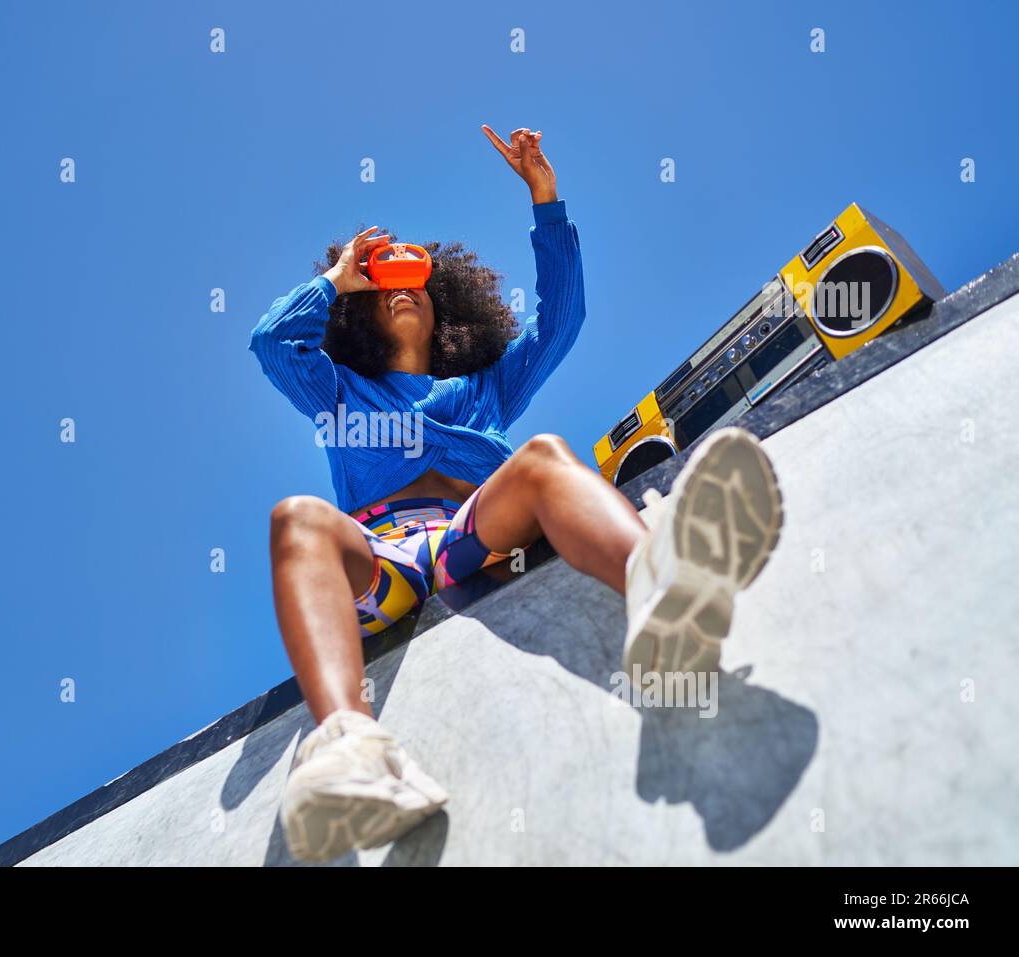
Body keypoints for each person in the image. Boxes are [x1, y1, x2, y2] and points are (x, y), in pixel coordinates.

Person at [248, 126, 783, 863]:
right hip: (388, 559)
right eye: (385, 289)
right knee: (296, 518)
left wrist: (545, 199)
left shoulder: (480, 387)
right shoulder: (336, 389)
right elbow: (271, 344)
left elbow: (561, 322)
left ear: (445, 310)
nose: (403, 294)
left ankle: (662, 590)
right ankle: (350, 750)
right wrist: (338, 279)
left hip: (477, 529)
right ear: (360, 316)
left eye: (417, 288)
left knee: (543, 455)